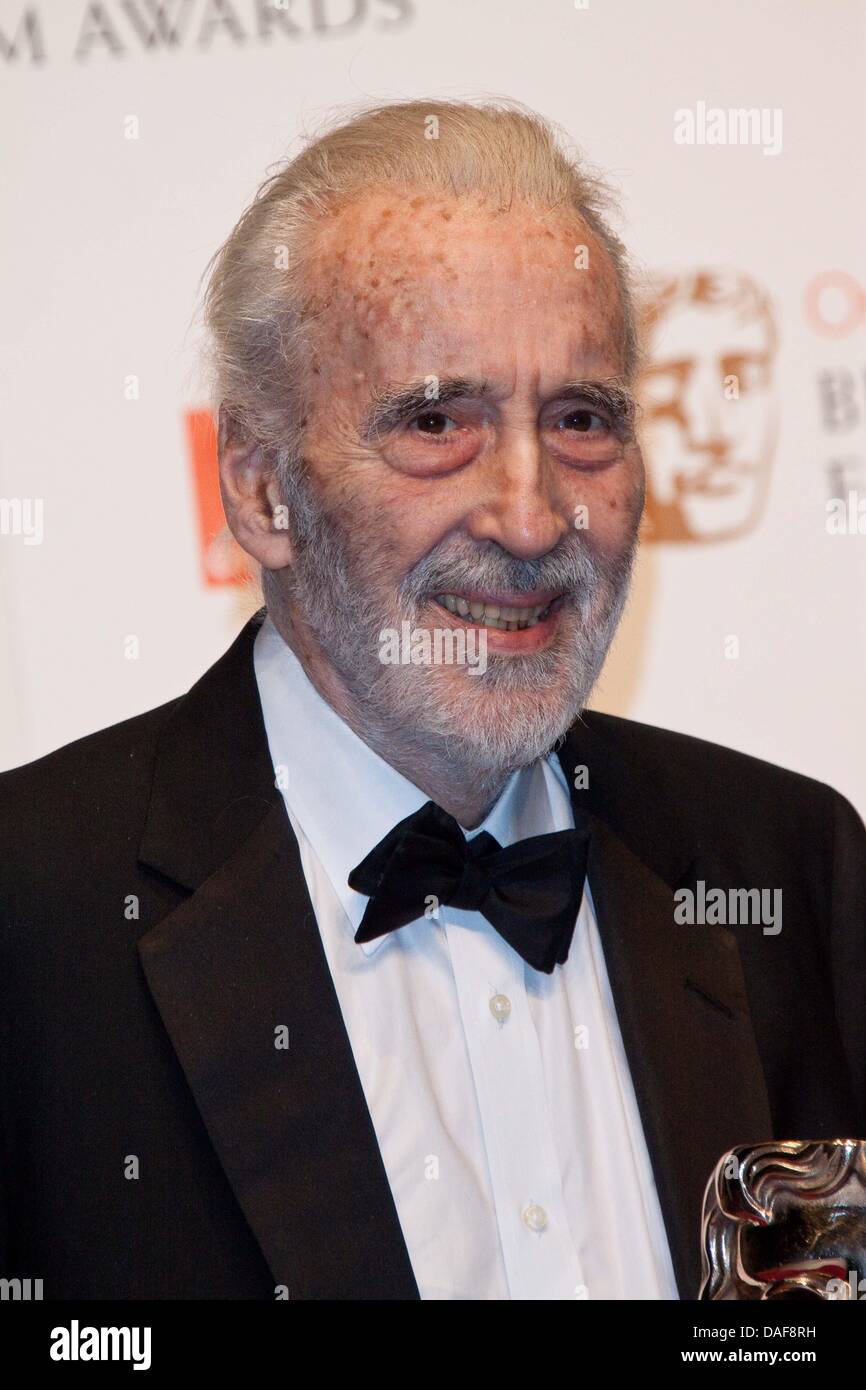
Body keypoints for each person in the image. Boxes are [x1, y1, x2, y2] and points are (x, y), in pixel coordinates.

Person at [1, 98, 864, 1302]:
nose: (525, 515)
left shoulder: (786, 862)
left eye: (579, 420)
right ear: (259, 491)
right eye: (432, 422)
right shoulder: (33, 915)